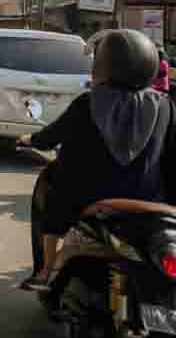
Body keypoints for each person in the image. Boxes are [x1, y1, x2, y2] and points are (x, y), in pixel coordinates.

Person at [17, 29, 176, 291]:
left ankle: (46, 270)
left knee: (53, 195)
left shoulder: (87, 103)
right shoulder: (165, 107)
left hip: (89, 201)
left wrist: (29, 140)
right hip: (150, 202)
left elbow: (50, 136)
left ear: (103, 65)